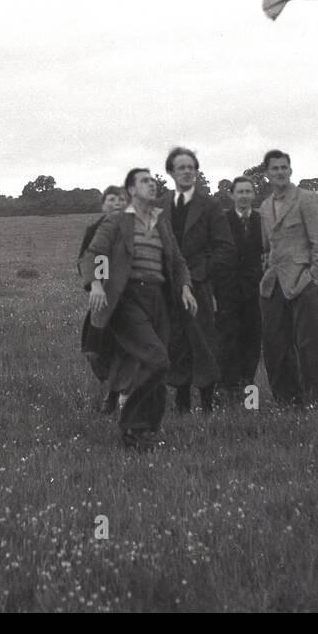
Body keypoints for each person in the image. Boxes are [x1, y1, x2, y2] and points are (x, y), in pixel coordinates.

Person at [81, 167, 197, 451]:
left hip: (158, 299)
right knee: (158, 360)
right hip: (126, 299)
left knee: (153, 366)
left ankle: (144, 433)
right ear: (131, 190)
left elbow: (178, 261)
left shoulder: (161, 222)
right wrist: (96, 283)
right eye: (145, 181)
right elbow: (95, 254)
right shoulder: (117, 221)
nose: (152, 184)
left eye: (153, 180)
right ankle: (130, 422)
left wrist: (184, 286)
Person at [259, 149, 318, 409]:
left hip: (302, 282)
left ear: (290, 170)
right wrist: (267, 270)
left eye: (283, 167)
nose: (279, 172)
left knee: (309, 346)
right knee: (275, 345)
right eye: (274, 168)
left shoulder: (307, 199)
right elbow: (267, 247)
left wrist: (312, 277)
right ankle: (287, 401)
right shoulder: (265, 207)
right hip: (273, 285)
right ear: (266, 174)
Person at [161, 147, 232, 412]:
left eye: (191, 167)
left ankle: (207, 404)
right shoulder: (160, 205)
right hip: (169, 286)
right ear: (171, 172)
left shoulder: (210, 205)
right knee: (176, 342)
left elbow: (225, 247)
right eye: (181, 167)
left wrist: (201, 275)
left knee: (203, 342)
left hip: (201, 285)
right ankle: (181, 404)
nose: (188, 171)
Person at [78, 186, 126, 413]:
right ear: (103, 204)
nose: (116, 203)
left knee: (123, 350)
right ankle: (113, 386)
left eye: (121, 199)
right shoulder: (93, 230)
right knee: (93, 350)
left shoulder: (133, 230)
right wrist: (95, 285)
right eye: (111, 199)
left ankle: (116, 395)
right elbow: (85, 260)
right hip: (101, 300)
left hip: (127, 300)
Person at [217, 176, 264, 396]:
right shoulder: (222, 220)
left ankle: (247, 385)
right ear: (232, 195)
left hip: (255, 289)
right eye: (240, 192)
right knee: (227, 337)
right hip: (227, 289)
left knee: (252, 336)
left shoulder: (261, 220)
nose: (244, 196)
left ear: (254, 195)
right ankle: (226, 387)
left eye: (248, 191)